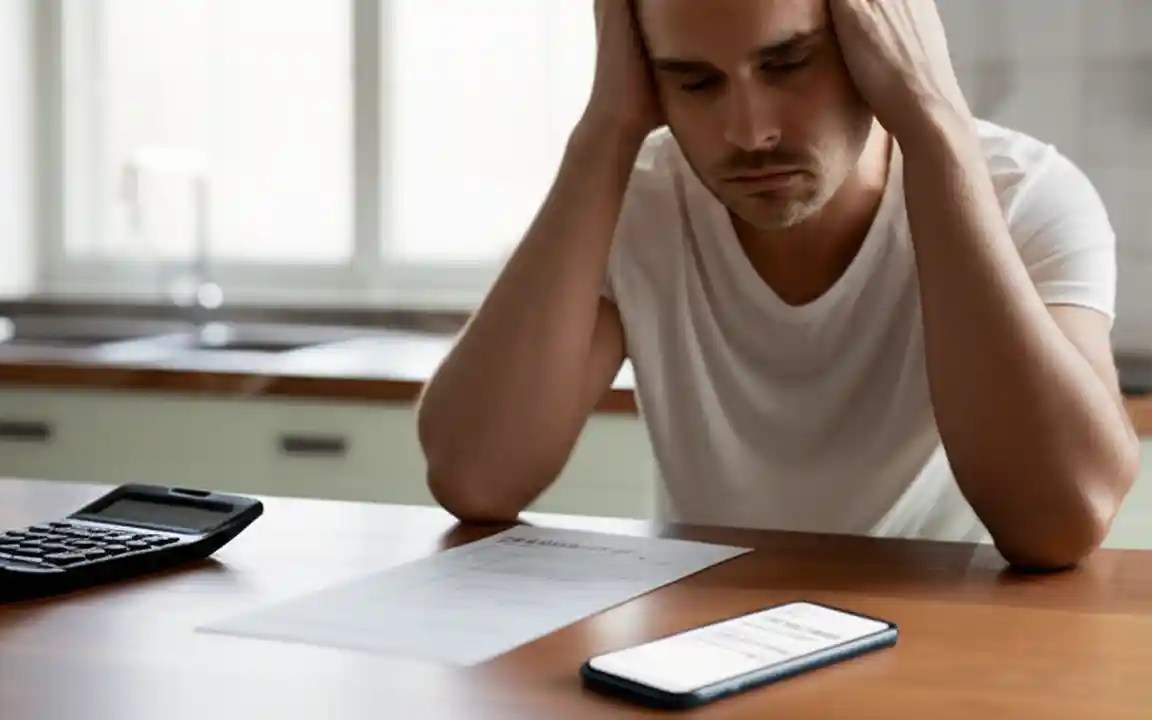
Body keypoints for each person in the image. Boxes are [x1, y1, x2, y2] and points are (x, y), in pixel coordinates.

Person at [416, 0, 1140, 570]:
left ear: (881, 39)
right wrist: (606, 126)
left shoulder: (1022, 196)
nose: (749, 131)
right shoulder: (637, 203)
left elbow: (1060, 521)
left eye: (790, 63)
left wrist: (934, 120)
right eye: (694, 81)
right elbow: (476, 476)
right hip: (704, 642)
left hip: (946, 645)